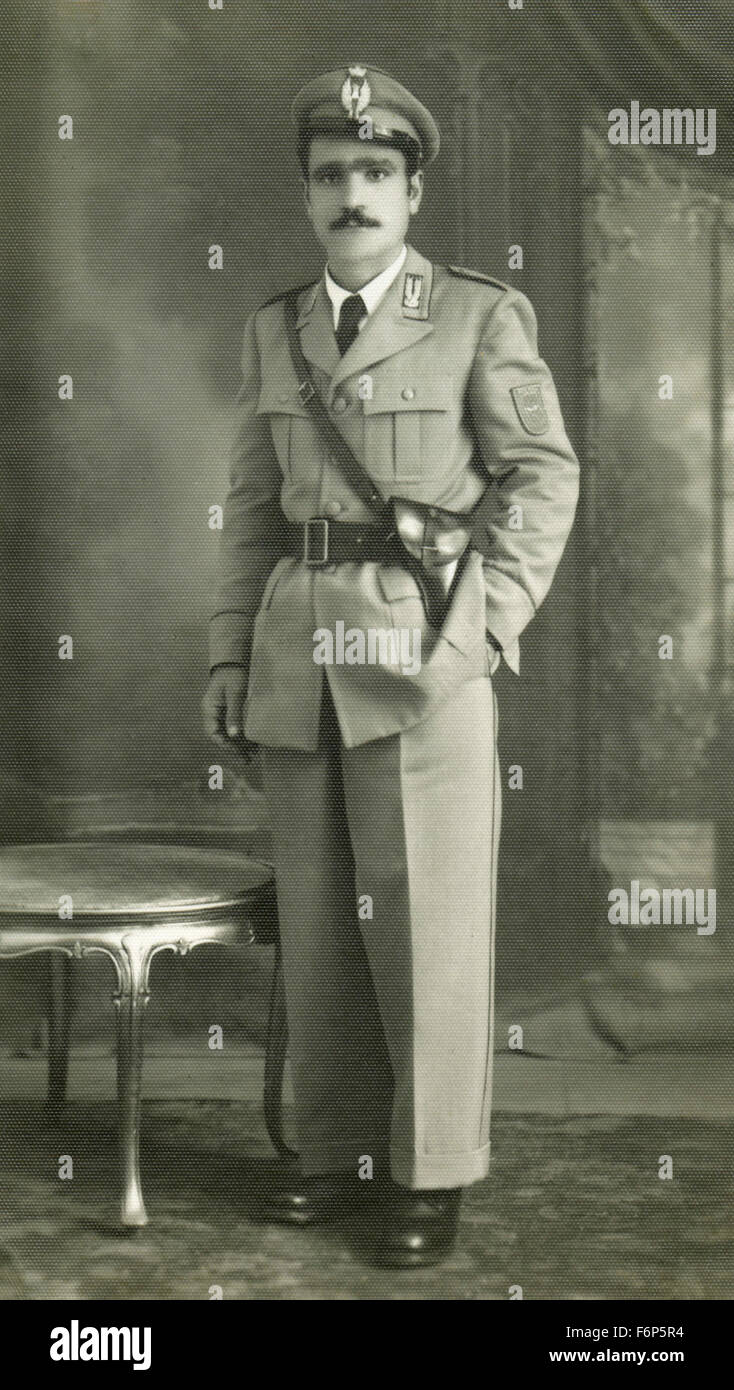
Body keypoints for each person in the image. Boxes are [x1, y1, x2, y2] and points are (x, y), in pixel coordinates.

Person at [202, 64, 579, 1267]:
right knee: (320, 929)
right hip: (292, 665)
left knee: (426, 933)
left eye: (374, 173)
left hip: (420, 662)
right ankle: (336, 1155)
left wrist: (479, 631)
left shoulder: (477, 314)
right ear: (307, 197)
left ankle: (427, 1176)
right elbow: (250, 514)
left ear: (412, 190)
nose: (351, 195)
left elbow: (542, 477)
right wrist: (226, 658)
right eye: (330, 176)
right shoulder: (276, 329)